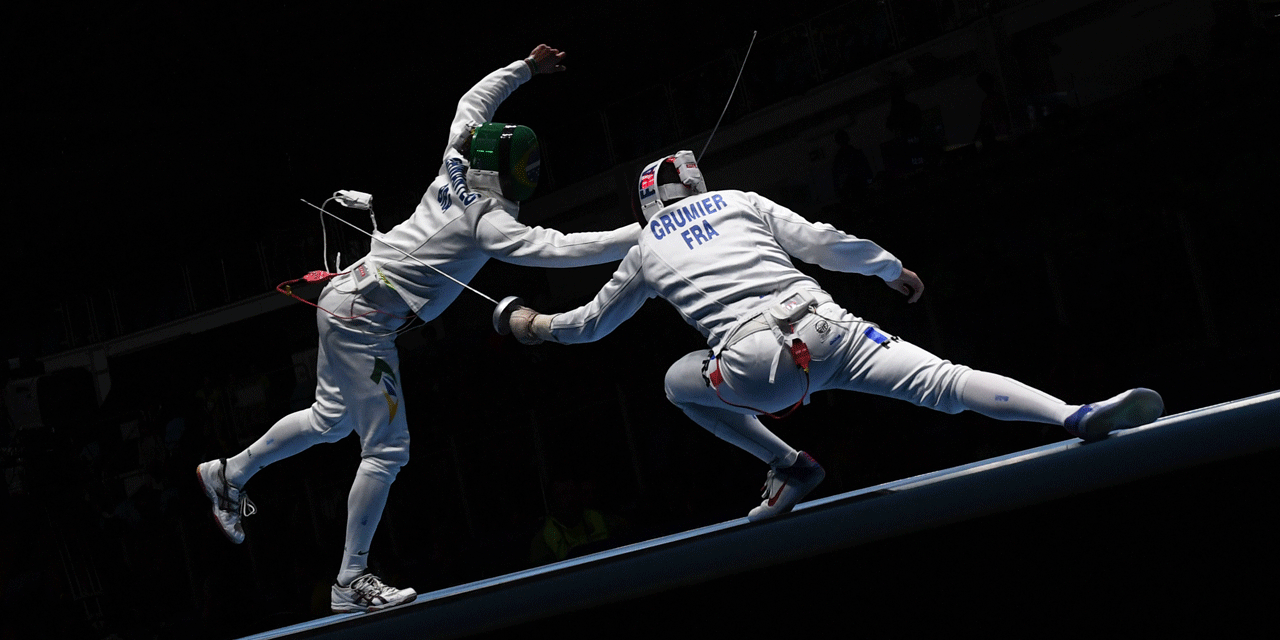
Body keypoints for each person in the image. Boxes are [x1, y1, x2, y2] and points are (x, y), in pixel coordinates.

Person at [196, 44, 641, 613]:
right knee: (386, 450)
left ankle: (228, 471)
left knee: (330, 421)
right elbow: (560, 249)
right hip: (364, 320)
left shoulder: (456, 156)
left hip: (347, 296)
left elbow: (472, 100)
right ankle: (349, 581)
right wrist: (640, 232)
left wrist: (525, 68)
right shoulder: (488, 223)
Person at [503, 150, 1164, 522]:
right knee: (948, 380)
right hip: (828, 328)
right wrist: (888, 267)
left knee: (678, 384)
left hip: (755, 366)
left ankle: (790, 465)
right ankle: (1074, 414)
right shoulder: (739, 200)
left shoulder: (647, 247)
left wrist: (532, 325)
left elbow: (589, 326)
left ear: (647, 203)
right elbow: (823, 243)